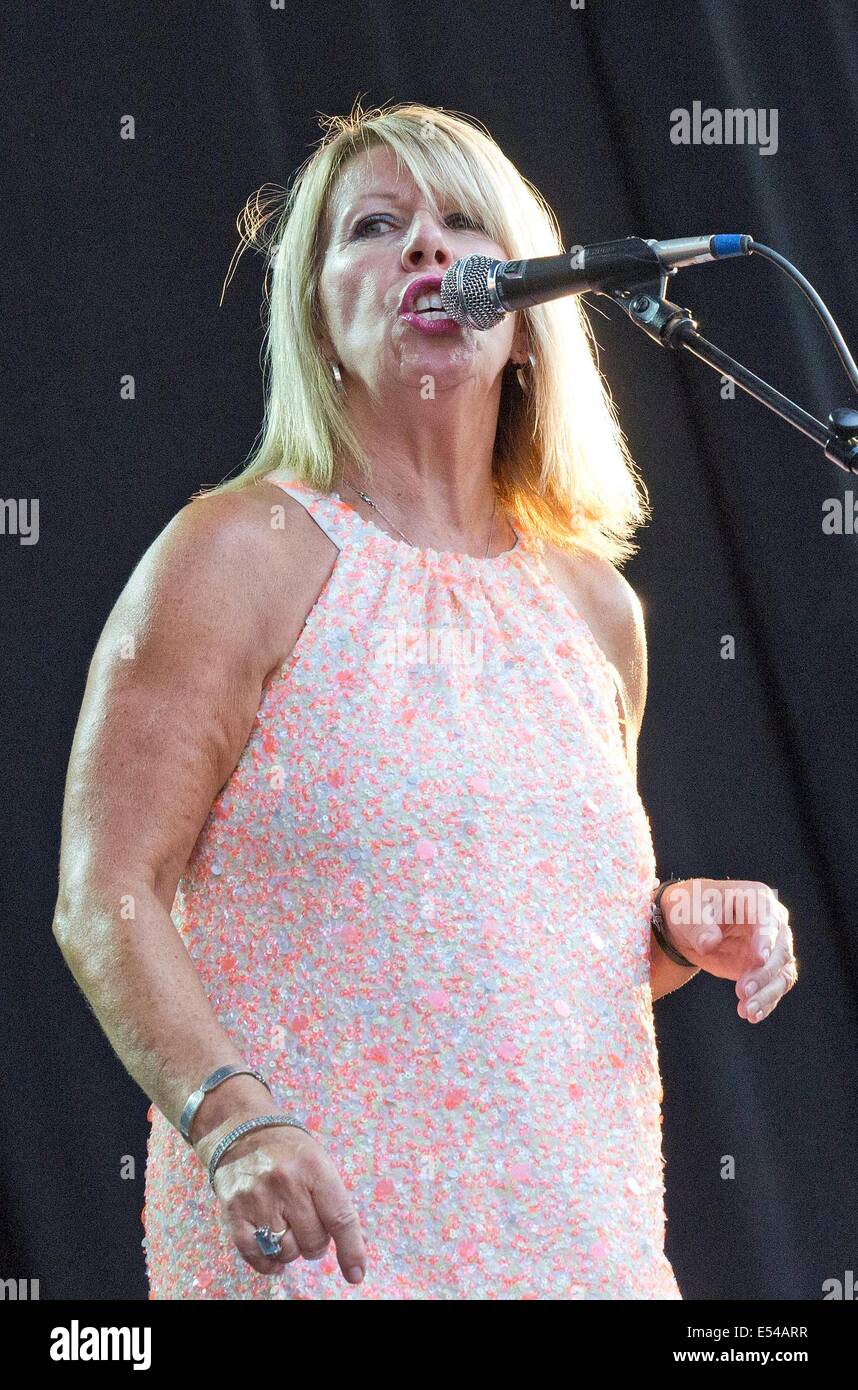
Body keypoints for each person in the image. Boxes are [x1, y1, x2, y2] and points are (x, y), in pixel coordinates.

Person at [52, 100, 798, 1300]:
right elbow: (104, 894)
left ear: (527, 317)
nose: (427, 250)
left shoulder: (594, 609)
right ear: (317, 314)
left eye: (461, 222)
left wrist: (669, 935)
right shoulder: (235, 554)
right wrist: (232, 1118)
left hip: (576, 1246)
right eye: (377, 226)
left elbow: (509, 947)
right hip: (326, 1244)